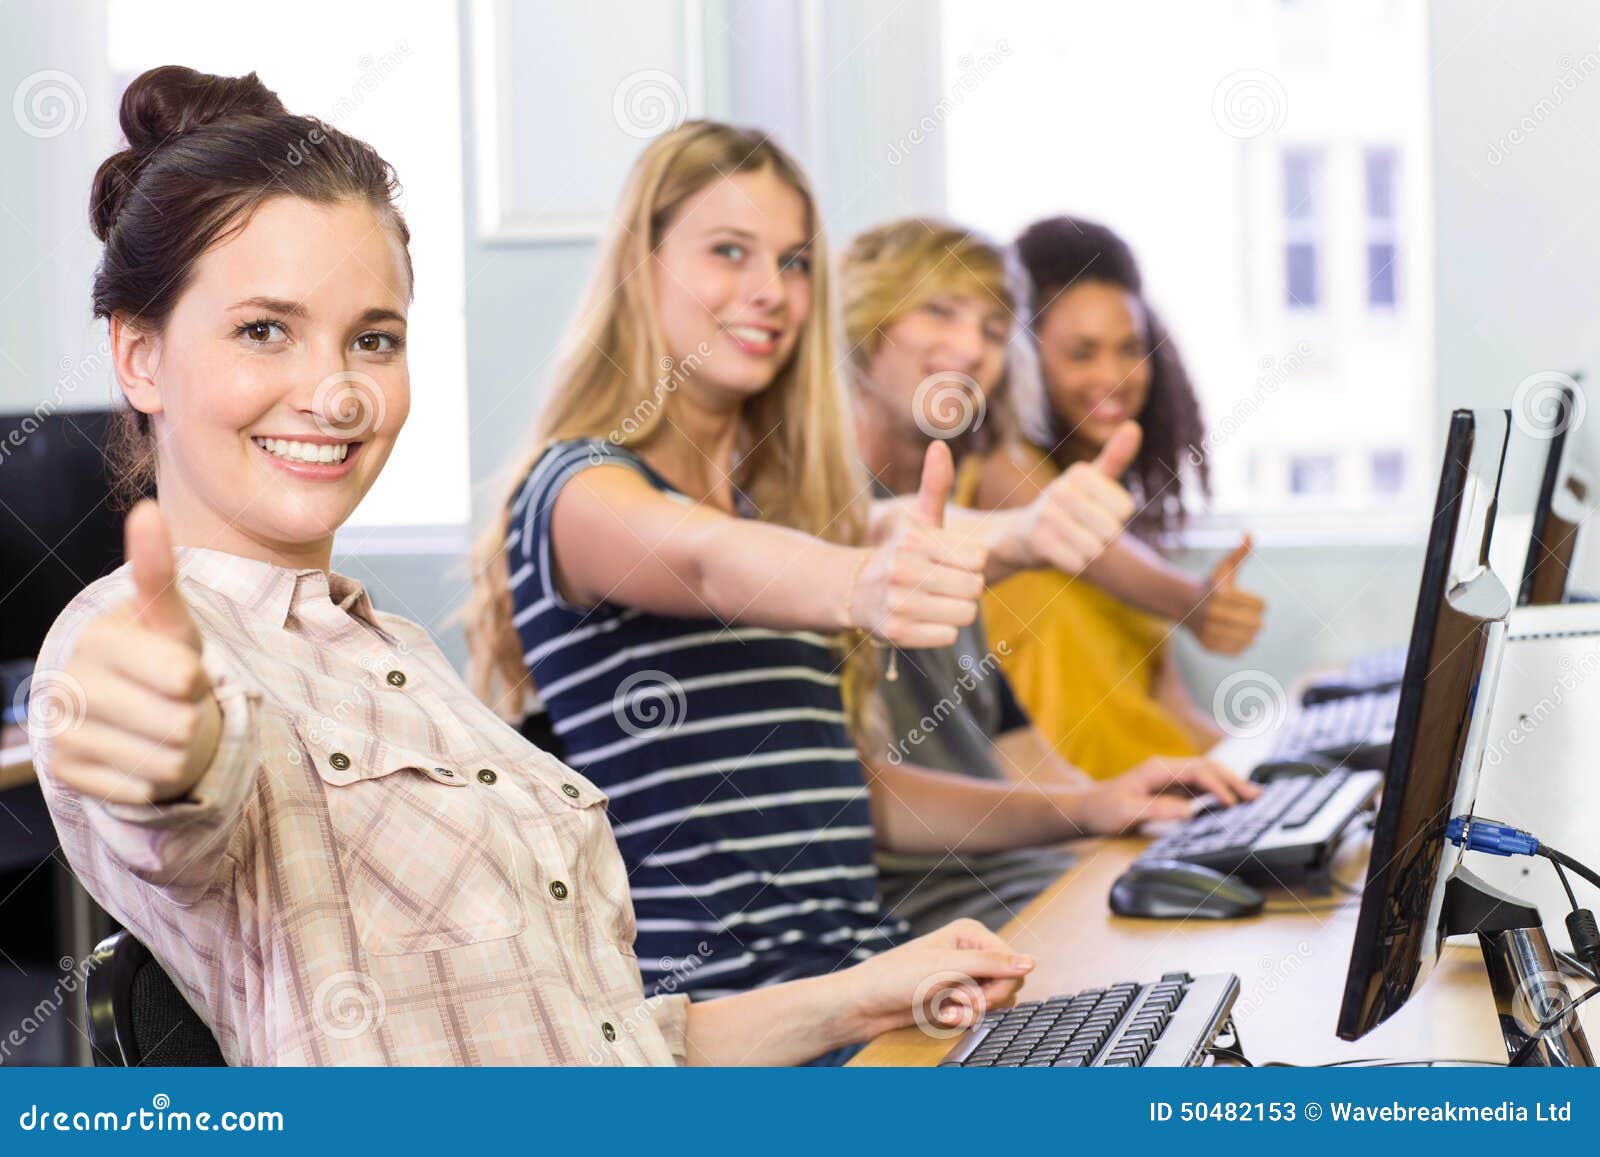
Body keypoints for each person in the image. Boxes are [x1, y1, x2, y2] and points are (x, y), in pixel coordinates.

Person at [32, 66, 1039, 1068]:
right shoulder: (130, 638)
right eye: (265, 330)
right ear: (139, 356)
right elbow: (172, 788)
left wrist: (866, 992)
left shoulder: (403, 658)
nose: (335, 392)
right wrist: (164, 740)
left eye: (373, 339)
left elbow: (605, 1045)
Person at [464, 122, 1256, 1013]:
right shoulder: (580, 492)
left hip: (877, 981)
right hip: (743, 1025)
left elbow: (863, 797)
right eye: (730, 252)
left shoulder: (792, 518)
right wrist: (862, 581)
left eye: (795, 263)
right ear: (641, 266)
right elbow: (710, 560)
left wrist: (1094, 802)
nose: (770, 291)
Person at [840, 217, 1249, 933]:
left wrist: (1115, 804)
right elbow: (857, 797)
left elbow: (1015, 747)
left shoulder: (955, 524)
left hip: (1018, 876)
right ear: (861, 326)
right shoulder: (817, 522)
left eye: (994, 329)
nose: (970, 347)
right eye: (939, 311)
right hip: (930, 916)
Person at [970, 216, 1268, 779]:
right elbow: (1075, 535)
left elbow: (1171, 713)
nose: (1113, 375)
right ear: (1025, 359)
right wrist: (1191, 603)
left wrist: (1276, 772)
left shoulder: (1119, 519)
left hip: (1155, 816)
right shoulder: (1000, 470)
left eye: (1129, 349)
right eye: (1081, 354)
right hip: (1072, 829)